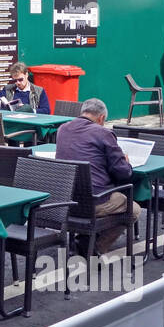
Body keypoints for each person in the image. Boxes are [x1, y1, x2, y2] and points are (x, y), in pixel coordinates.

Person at [55, 98, 134, 252]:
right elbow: (123, 173)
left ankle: (84, 238)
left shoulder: (62, 129)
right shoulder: (103, 133)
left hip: (66, 200)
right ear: (101, 118)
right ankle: (94, 246)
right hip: (94, 201)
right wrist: (127, 162)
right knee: (133, 208)